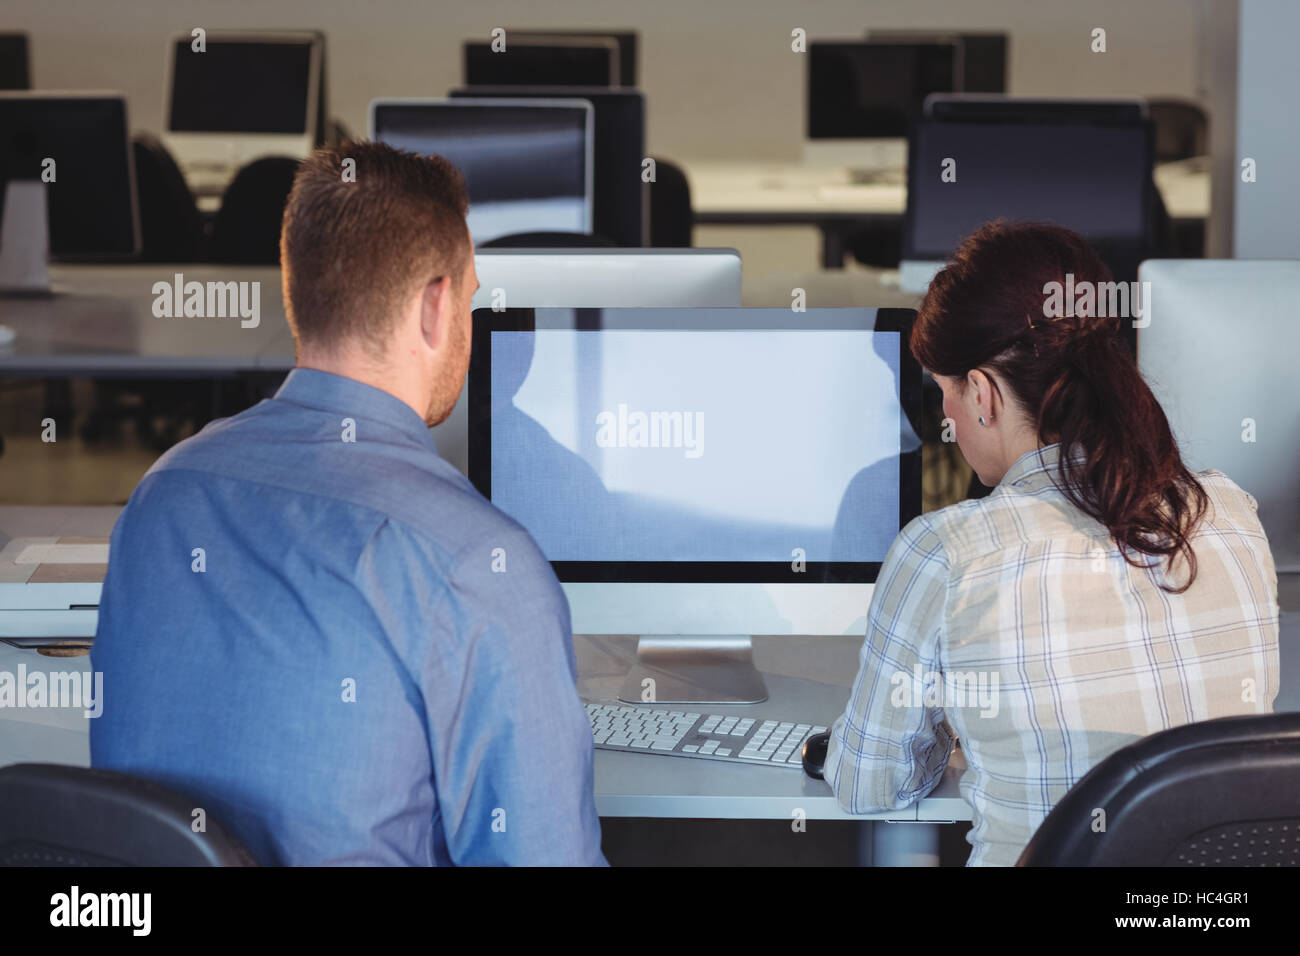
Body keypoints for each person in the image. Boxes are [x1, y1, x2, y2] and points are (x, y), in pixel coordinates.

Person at [90, 142, 606, 866]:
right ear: (435, 305)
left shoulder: (161, 496)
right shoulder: (475, 564)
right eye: (468, 295)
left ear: (297, 290)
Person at [824, 221, 1280, 866]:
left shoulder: (947, 553)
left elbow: (869, 785)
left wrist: (957, 720)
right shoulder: (1228, 513)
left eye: (943, 393)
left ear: (982, 393)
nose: (945, 418)